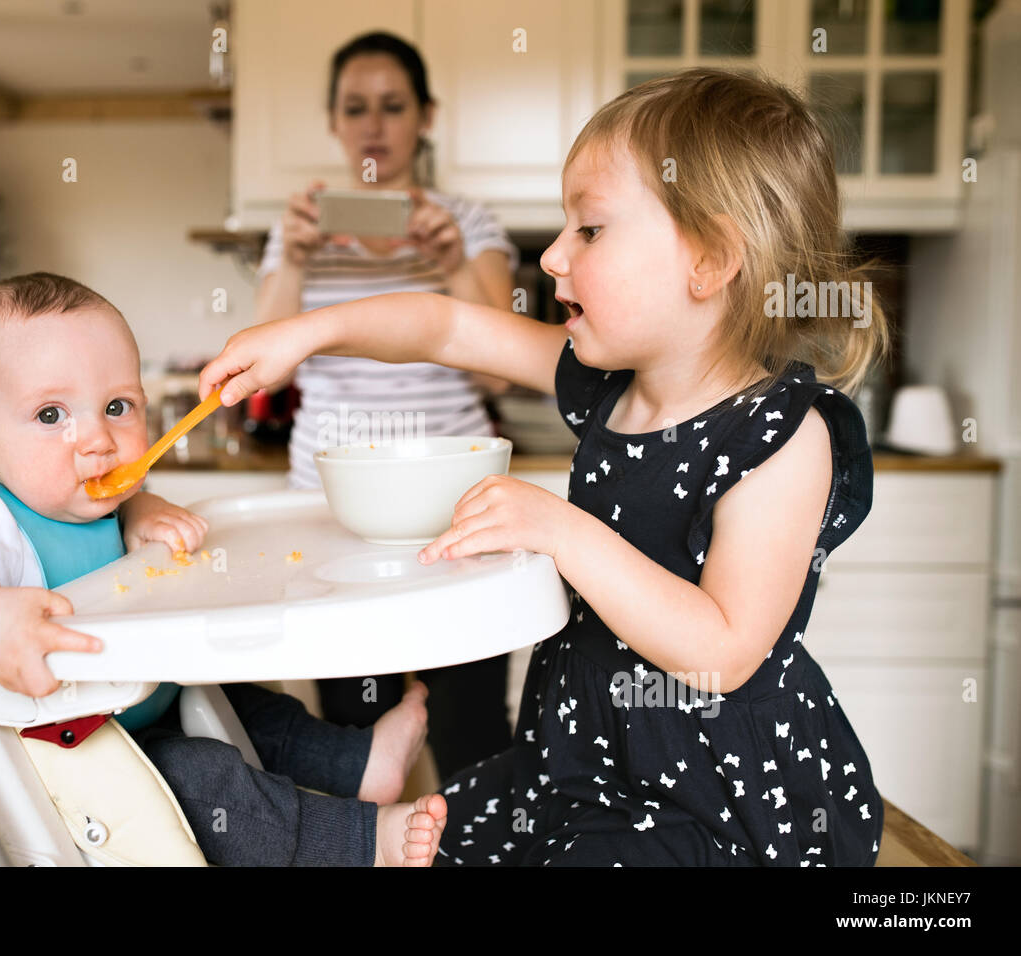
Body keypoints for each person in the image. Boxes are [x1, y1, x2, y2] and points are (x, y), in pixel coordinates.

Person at [199, 68, 890, 865]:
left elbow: (725, 651)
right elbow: (446, 328)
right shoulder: (606, 388)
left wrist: (562, 530)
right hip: (582, 760)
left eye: (590, 231)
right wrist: (308, 333)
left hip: (710, 796)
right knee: (434, 839)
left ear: (710, 259)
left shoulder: (781, 436)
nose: (555, 256)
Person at [0, 272, 447, 867]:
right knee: (203, 782)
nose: (97, 439)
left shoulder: (89, 497)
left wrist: (143, 508)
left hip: (137, 711)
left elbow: (106, 519)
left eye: (117, 407)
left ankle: (358, 762)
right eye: (49, 415)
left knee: (245, 697)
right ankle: (359, 841)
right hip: (65, 759)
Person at [255, 30, 518, 777]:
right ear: (334, 122)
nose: (374, 125)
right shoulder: (299, 228)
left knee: (471, 726)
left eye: (394, 106)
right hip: (331, 509)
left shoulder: (466, 222)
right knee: (355, 732)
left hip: (453, 506)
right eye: (356, 107)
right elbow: (266, 374)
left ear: (426, 116)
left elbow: (502, 373)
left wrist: (452, 264)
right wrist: (296, 260)